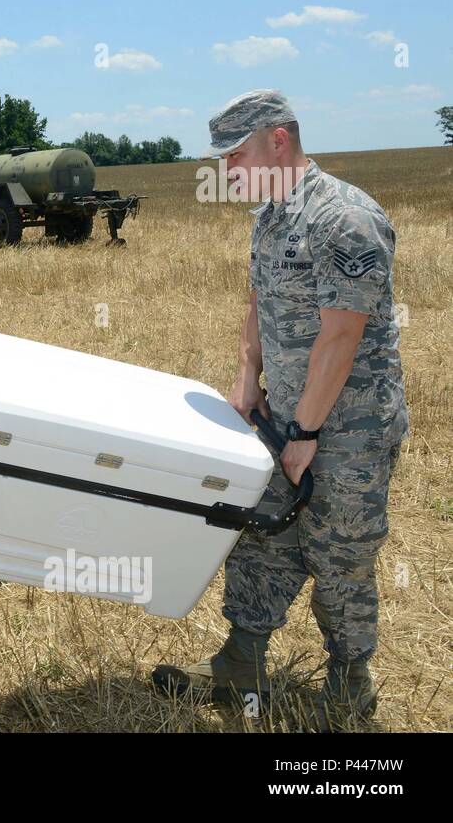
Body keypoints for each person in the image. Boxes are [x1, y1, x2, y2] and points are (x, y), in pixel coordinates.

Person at [153, 90, 408, 729]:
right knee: (262, 536)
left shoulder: (345, 217)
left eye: (235, 156)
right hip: (282, 419)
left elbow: (341, 334)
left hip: (349, 430)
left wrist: (308, 432)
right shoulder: (270, 216)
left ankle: (349, 687)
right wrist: (248, 381)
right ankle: (240, 665)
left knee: (339, 553)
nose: (227, 171)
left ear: (278, 140)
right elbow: (258, 302)